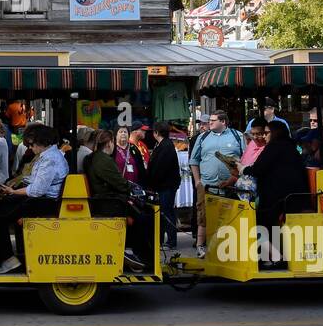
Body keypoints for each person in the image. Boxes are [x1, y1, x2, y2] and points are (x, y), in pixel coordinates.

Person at [0, 124, 66, 273]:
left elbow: (37, 190)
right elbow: (36, 181)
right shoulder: (48, 156)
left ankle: (7, 258)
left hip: (43, 202)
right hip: (42, 199)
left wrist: (13, 191)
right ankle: (9, 257)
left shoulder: (49, 159)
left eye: (31, 144)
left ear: (41, 141)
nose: (30, 148)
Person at [242, 119, 308, 268]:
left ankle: (276, 256)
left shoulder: (275, 147)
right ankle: (267, 258)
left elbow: (258, 169)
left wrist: (242, 169)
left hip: (285, 198)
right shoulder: (288, 147)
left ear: (275, 133)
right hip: (289, 195)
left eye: (266, 133)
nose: (264, 136)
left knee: (253, 222)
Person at [84, 129, 148, 271]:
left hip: (105, 199)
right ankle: (131, 252)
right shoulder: (103, 160)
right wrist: (132, 190)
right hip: (108, 202)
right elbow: (119, 183)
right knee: (143, 217)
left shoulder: (94, 158)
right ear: (108, 143)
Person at [188, 110, 245, 258]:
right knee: (203, 216)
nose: (209, 123)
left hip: (231, 186)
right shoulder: (203, 137)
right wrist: (197, 181)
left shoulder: (238, 136)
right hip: (207, 185)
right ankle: (200, 246)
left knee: (229, 216)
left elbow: (245, 159)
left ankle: (228, 247)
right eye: (210, 120)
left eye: (213, 120)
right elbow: (193, 160)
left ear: (223, 122)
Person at [146, 121, 182, 250]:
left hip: (165, 186)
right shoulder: (162, 145)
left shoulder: (165, 146)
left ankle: (171, 241)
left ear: (156, 133)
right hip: (164, 185)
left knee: (167, 212)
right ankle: (162, 240)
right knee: (164, 212)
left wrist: (151, 182)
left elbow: (160, 168)